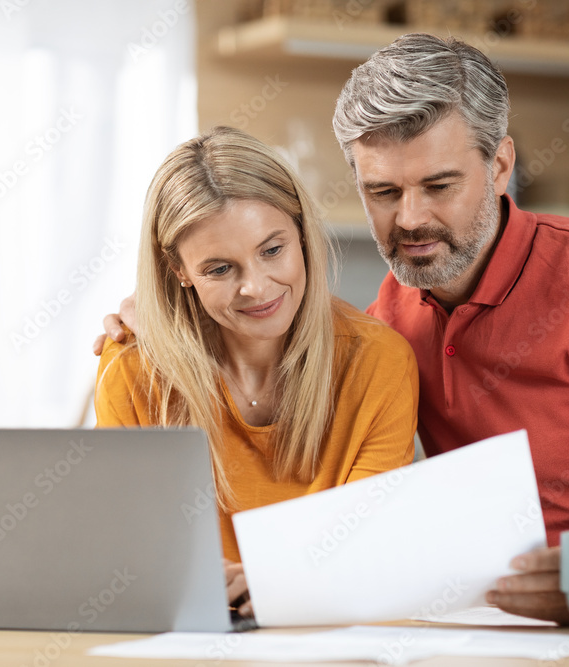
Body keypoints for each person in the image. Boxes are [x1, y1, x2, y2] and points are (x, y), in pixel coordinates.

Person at [97, 34, 569, 622]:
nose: (410, 220)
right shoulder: (392, 318)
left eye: (439, 185)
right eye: (384, 192)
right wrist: (161, 309)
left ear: (501, 166)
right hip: (545, 625)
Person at [93, 126, 418, 616]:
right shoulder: (133, 371)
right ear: (179, 270)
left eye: (272, 250)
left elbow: (367, 554)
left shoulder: (378, 363)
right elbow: (123, 558)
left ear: (301, 232)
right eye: (219, 269)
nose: (257, 288)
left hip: (328, 636)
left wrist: (275, 584)